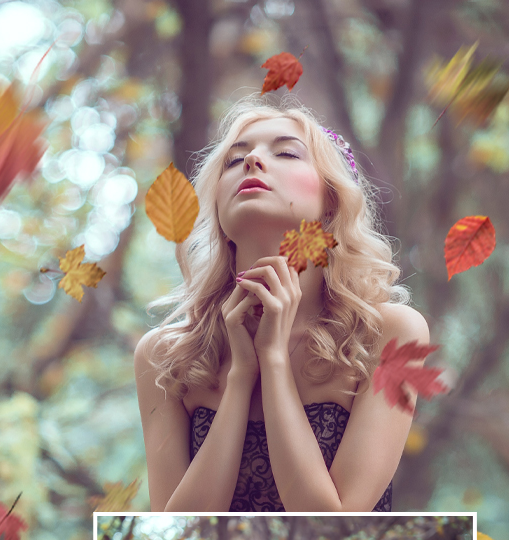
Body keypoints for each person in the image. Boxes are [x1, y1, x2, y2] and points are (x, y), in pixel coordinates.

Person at [134, 93, 431, 512]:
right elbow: (180, 528)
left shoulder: (390, 334)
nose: (253, 161)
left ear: (332, 199)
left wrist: (272, 360)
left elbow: (335, 522)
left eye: (287, 153)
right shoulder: (165, 355)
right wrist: (241, 376)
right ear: (217, 203)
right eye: (235, 160)